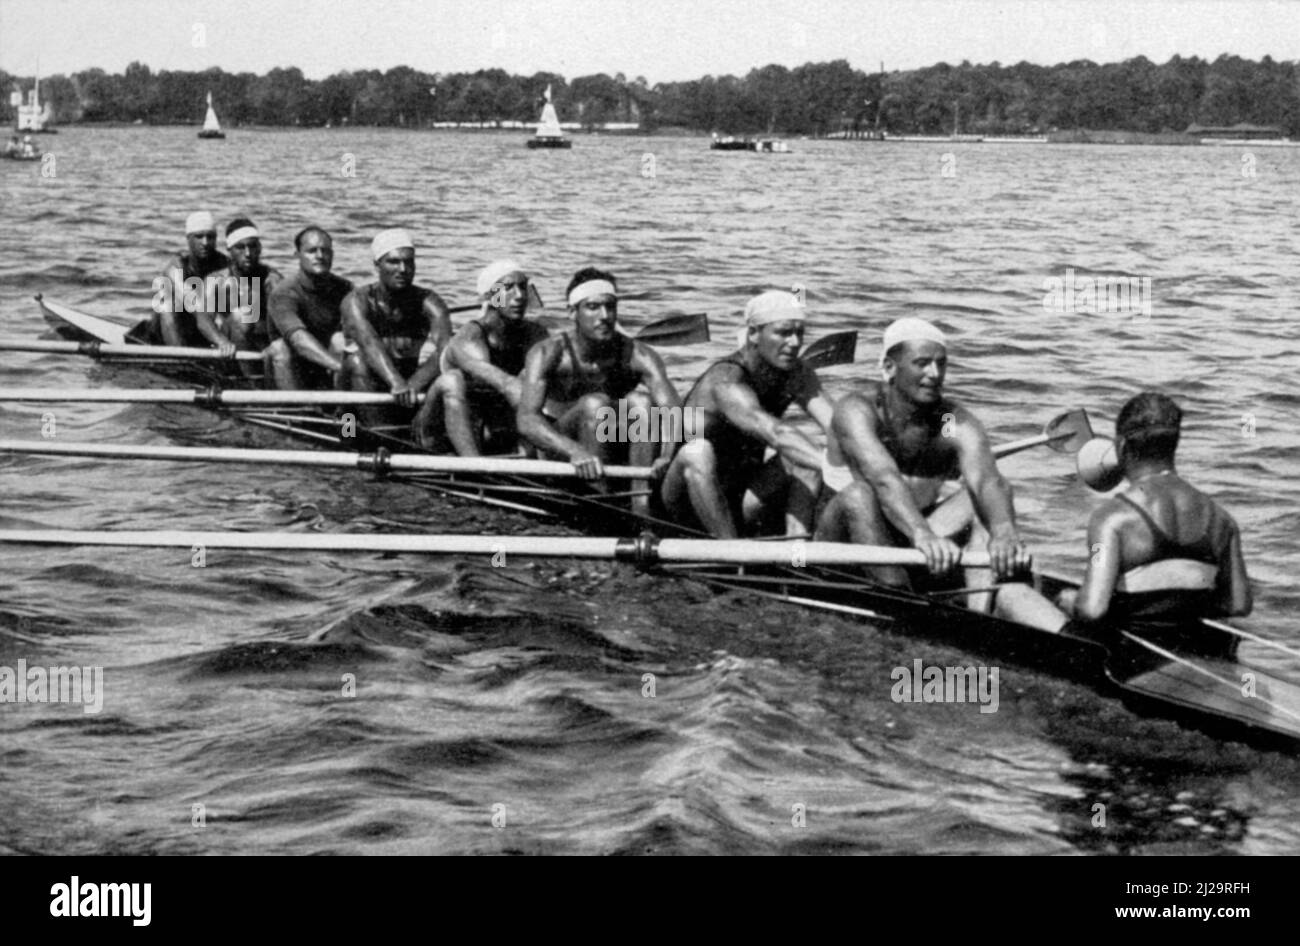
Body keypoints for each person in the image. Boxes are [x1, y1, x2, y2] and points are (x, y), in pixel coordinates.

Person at [814, 317, 1031, 593]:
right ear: (890, 368)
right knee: (860, 494)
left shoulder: (951, 420)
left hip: (908, 535)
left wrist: (1004, 531)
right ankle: (899, 593)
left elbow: (987, 481)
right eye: (922, 363)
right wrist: (923, 534)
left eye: (941, 364)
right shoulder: (857, 410)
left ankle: (981, 602)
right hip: (839, 538)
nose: (934, 373)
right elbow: (883, 479)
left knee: (982, 498)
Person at [1048, 392, 1252, 626]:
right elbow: (1239, 604)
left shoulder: (1110, 519)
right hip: (1192, 637)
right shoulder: (1222, 520)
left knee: (1018, 597)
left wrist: (1071, 601)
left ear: (1121, 446)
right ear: (1174, 444)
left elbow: (1092, 610)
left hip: (1129, 645)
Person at [660, 289, 833, 538]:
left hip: (739, 495)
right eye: (783, 333)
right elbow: (775, 432)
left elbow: (836, 425)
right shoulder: (726, 380)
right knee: (698, 452)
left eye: (799, 333)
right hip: (685, 498)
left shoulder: (798, 373)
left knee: (805, 453)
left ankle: (798, 550)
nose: (795, 343)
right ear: (753, 333)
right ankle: (733, 555)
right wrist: (833, 469)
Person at [516, 267, 680, 514]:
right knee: (596, 403)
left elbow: (672, 411)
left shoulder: (638, 354)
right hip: (562, 449)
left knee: (642, 402)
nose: (604, 316)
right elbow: (527, 420)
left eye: (610, 307)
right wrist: (575, 451)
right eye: (593, 307)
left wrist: (667, 456)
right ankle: (601, 505)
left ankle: (640, 506)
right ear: (572, 312)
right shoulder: (549, 353)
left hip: (611, 443)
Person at [418, 259, 550, 454]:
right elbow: (505, 384)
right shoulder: (470, 337)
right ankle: (475, 466)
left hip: (493, 421)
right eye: (508, 288)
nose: (520, 296)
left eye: (522, 287)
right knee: (451, 381)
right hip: (442, 426)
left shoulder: (536, 333)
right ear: (491, 296)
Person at [338, 229, 452, 421]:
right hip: (350, 408)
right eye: (393, 262)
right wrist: (396, 382)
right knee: (356, 361)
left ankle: (400, 432)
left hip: (405, 389)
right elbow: (368, 342)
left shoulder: (429, 302)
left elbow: (447, 349)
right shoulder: (356, 301)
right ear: (377, 265)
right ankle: (360, 435)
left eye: (409, 262)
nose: (403, 269)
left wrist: (413, 384)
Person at [266, 226, 352, 390]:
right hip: (289, 367)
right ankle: (296, 412)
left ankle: (342, 408)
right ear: (297, 255)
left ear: (332, 255)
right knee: (280, 349)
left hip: (326, 366)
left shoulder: (346, 288)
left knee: (340, 340)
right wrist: (340, 367)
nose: (320, 256)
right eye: (312, 251)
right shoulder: (283, 292)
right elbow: (298, 340)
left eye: (325, 251)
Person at [203, 217, 282, 362]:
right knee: (241, 316)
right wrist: (221, 341)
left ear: (259, 248)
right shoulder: (215, 281)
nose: (247, 253)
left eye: (252, 246)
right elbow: (203, 320)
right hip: (228, 348)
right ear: (230, 250)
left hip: (262, 346)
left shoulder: (272, 279)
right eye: (240, 247)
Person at [152, 210, 230, 348]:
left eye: (210, 237)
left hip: (208, 328)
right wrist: (220, 341)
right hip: (176, 326)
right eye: (199, 236)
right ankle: (180, 360)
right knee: (167, 304)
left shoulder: (226, 264)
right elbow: (195, 305)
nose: (205, 242)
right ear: (188, 238)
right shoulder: (175, 268)